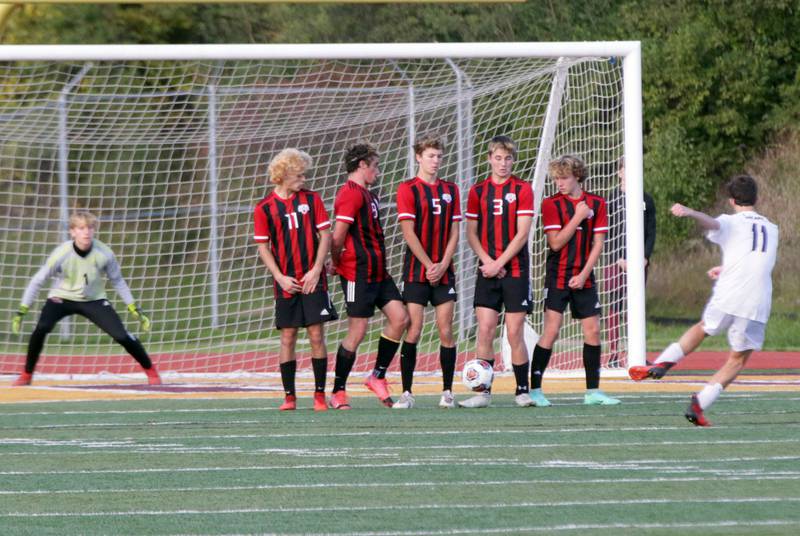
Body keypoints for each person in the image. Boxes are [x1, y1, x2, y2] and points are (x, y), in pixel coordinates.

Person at [629, 175, 778, 427]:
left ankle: (662, 363)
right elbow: (756, 258)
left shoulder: (730, 221)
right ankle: (699, 404)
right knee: (737, 360)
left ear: (731, 201)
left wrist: (690, 212)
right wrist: (726, 266)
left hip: (729, 293)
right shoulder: (772, 228)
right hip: (756, 299)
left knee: (703, 328)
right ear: (757, 198)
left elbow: (712, 223)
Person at [10, 211, 160, 386]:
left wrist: (133, 307)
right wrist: (23, 309)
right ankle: (27, 374)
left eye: (90, 227)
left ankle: (151, 372)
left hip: (94, 300)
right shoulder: (61, 253)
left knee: (121, 335)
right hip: (61, 298)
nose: (86, 232)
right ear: (73, 232)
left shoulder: (104, 253)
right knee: (41, 327)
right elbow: (38, 280)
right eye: (81, 228)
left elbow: (118, 281)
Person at [531, 155, 620, 406]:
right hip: (557, 275)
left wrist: (583, 275)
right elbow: (556, 242)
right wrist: (578, 217)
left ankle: (592, 391)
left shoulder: (597, 203)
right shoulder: (551, 204)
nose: (559, 182)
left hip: (585, 277)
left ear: (577, 176)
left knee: (593, 330)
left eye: (564, 178)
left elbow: (598, 244)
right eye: (557, 178)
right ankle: (535, 390)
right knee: (551, 330)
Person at [254, 149, 337, 412]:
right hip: (286, 281)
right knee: (287, 336)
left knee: (316, 334)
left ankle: (319, 396)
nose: (304, 179)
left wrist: (315, 270)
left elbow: (325, 235)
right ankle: (289, 397)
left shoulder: (311, 199)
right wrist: (279, 276)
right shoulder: (265, 208)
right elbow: (263, 247)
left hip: (313, 279)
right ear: (284, 175)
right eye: (299, 175)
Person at [329, 143, 409, 410]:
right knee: (358, 332)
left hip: (379, 273)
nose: (378, 170)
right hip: (357, 274)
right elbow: (338, 235)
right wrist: (335, 261)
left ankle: (377, 375)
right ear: (361, 165)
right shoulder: (350, 194)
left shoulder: (369, 195)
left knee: (400, 318)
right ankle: (338, 391)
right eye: (374, 165)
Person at [461, 135, 535, 408]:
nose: (503, 163)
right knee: (485, 330)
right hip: (488, 271)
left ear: (513, 160)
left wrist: (500, 262)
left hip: (515, 271)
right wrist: (488, 263)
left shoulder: (523, 189)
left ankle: (522, 390)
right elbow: (471, 233)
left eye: (508, 158)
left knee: (514, 332)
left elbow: (522, 233)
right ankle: (483, 392)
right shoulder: (477, 192)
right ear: (489, 158)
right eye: (498, 158)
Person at [394, 136, 462, 410]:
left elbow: (455, 231)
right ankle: (407, 392)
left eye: (439, 156)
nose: (435, 161)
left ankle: (447, 391)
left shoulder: (450, 189)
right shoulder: (408, 189)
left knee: (446, 330)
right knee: (414, 330)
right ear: (419, 158)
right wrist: (427, 264)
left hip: (443, 272)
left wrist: (443, 263)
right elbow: (408, 232)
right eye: (430, 155)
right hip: (416, 271)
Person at [604, 156, 656, 365]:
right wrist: (617, 258)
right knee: (615, 306)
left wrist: (645, 256)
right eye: (626, 168)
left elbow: (651, 231)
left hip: (639, 263)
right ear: (619, 172)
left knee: (636, 306)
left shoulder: (646, 199)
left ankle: (638, 354)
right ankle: (614, 354)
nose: (630, 172)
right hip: (616, 263)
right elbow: (606, 233)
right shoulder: (612, 199)